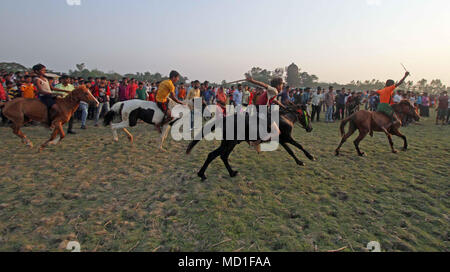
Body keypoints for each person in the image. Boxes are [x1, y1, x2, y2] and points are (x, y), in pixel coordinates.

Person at [246, 75, 285, 153]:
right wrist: (252, 81)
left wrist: (283, 106)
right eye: (282, 85)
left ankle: (255, 141)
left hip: (259, 109)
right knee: (277, 132)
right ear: (278, 85)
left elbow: (274, 101)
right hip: (263, 111)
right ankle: (256, 142)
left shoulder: (271, 92)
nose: (282, 87)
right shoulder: (274, 90)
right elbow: (263, 84)